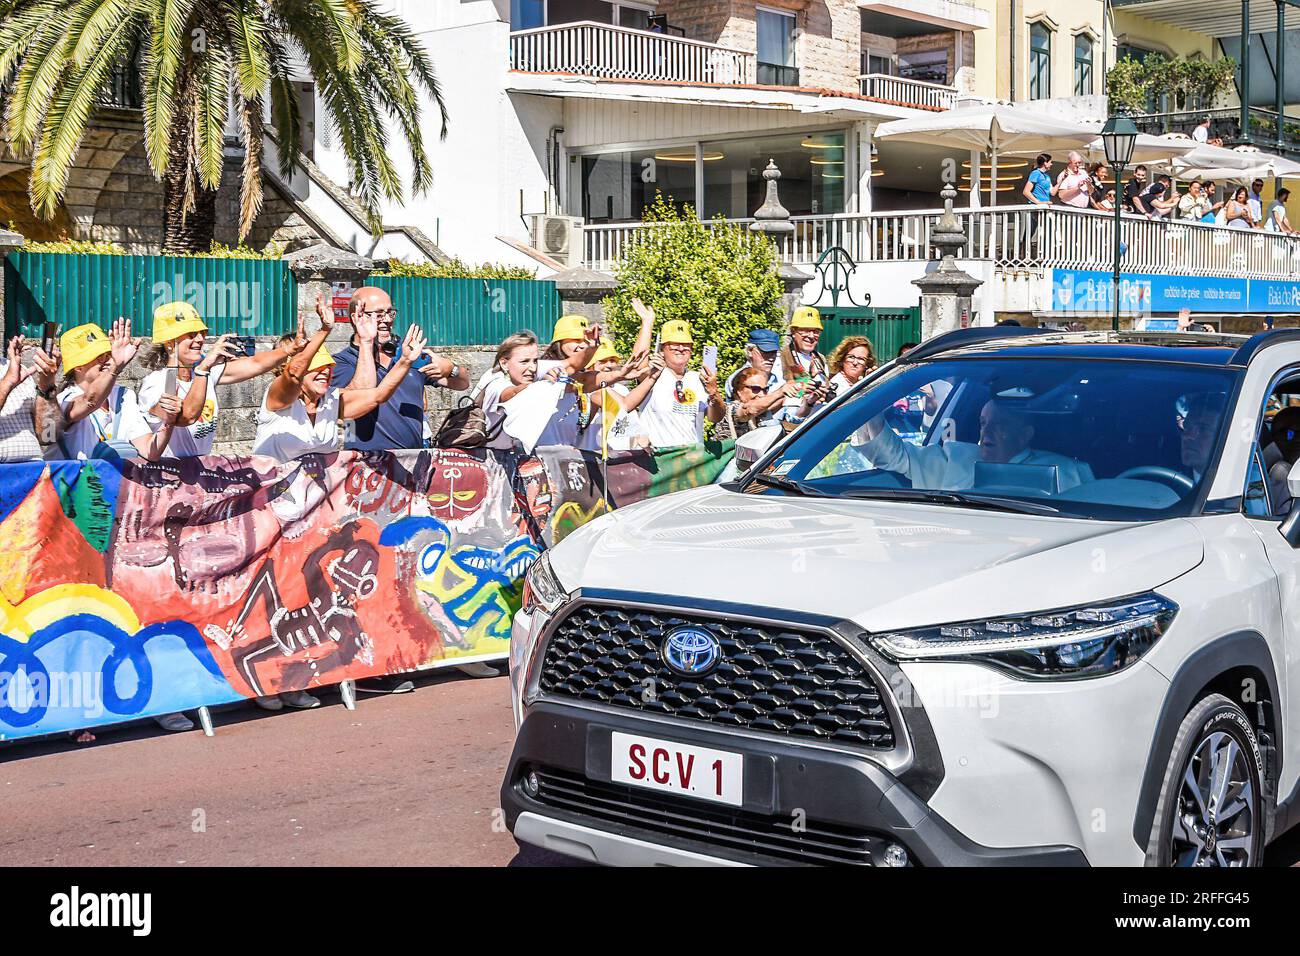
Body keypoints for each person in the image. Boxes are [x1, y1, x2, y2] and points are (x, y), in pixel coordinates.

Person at [127, 301, 297, 463]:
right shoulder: (156, 383)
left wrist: (291, 348)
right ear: (170, 343)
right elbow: (187, 417)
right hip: (167, 474)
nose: (200, 339)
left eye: (202, 333)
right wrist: (203, 369)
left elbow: (255, 364)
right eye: (191, 335)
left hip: (197, 471)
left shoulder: (202, 371)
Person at [332, 286, 469, 452]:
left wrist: (451, 368)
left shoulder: (406, 351)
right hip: (363, 460)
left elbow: (463, 383)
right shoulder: (342, 362)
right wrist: (366, 343)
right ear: (356, 317)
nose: (387, 319)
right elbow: (357, 401)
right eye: (379, 314)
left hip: (413, 459)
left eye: (390, 313)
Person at [853, 398, 1095, 492]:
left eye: (999, 424)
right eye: (983, 423)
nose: (986, 431)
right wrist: (870, 409)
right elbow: (897, 457)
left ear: (1024, 435)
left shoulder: (1068, 471)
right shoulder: (955, 457)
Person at [56, 320, 175, 461]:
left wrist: (169, 421)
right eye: (99, 357)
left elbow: (150, 451)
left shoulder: (124, 395)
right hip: (82, 476)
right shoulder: (64, 400)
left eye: (108, 354)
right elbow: (90, 401)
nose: (107, 360)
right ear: (77, 366)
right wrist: (115, 368)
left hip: (118, 475)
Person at [621, 319, 724, 448]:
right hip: (659, 456)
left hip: (692, 456)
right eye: (674, 344)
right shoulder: (653, 375)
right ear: (662, 348)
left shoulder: (699, 379)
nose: (681, 349)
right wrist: (647, 322)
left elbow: (715, 418)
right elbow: (639, 360)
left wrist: (714, 393)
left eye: (686, 344)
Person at [0, 335, 60, 462]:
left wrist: (47, 387)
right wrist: (8, 383)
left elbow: (48, 437)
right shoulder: (11, 375)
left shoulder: (17, 368)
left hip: (33, 469)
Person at [716, 366, 800, 440]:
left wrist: (801, 392)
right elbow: (750, 410)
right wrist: (780, 392)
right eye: (756, 389)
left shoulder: (761, 411)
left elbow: (778, 403)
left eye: (765, 389)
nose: (761, 394)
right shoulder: (731, 408)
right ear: (739, 391)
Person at [724, 328, 783, 400]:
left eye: (774, 352)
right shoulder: (739, 379)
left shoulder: (781, 376)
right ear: (750, 351)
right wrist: (781, 393)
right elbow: (748, 407)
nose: (771, 358)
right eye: (765, 352)